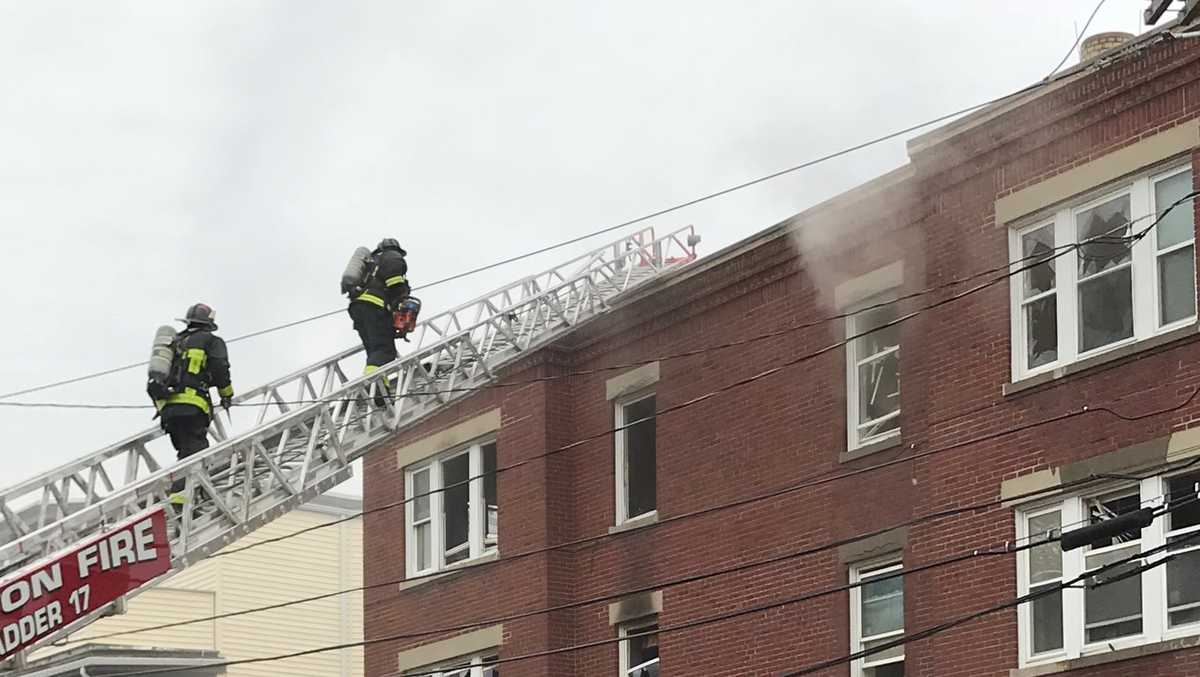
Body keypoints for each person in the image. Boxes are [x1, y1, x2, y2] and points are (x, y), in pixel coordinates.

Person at [149, 303, 234, 508]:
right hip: (193, 406)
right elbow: (220, 368)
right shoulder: (212, 341)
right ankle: (182, 502)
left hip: (169, 410)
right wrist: (227, 394)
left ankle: (193, 496)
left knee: (186, 453)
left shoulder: (175, 342)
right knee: (196, 454)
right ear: (209, 324)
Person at [347, 238, 410, 401]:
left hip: (358, 308)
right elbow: (395, 282)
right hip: (375, 307)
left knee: (374, 351)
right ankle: (373, 385)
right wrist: (403, 297)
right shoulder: (392, 257)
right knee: (384, 350)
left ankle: (381, 392)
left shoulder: (371, 263)